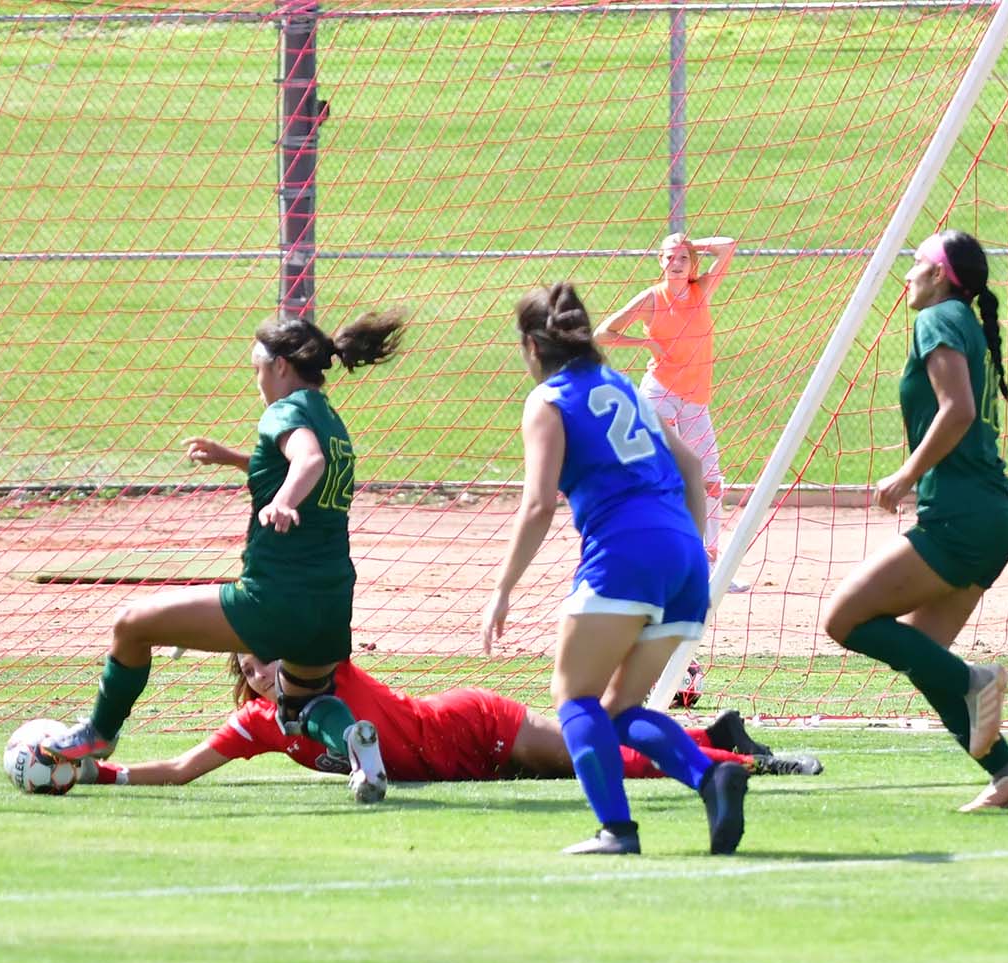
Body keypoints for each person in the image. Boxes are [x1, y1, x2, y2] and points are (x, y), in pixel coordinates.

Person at [37, 310, 408, 804]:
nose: (257, 380)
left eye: (257, 367)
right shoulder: (330, 417)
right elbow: (302, 462)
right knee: (301, 704)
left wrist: (283, 502)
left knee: (131, 625)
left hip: (275, 597)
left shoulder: (285, 409)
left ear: (279, 365)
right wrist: (234, 459)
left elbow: (308, 460)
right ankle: (355, 743)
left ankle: (99, 734)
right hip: (332, 603)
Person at [484, 282, 748, 856]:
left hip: (625, 551)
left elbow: (538, 504)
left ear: (532, 346)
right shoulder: (624, 386)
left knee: (573, 697)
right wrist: (690, 546)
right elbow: (692, 466)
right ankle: (711, 776)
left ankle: (618, 831)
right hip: (684, 557)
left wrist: (502, 588)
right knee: (620, 708)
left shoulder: (548, 400)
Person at [822, 230, 1008, 813]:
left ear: (941, 274)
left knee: (843, 618)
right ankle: (1007, 772)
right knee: (924, 657)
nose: (908, 273)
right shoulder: (961, 319)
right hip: (991, 517)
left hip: (962, 516)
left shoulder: (937, 317)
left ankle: (976, 680)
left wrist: (904, 475)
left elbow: (958, 409)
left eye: (916, 262)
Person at [77, 655, 822, 787]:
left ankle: (744, 762)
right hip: (463, 764)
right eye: (250, 667)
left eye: (270, 657)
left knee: (607, 760)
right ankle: (714, 735)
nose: (265, 671)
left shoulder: (329, 670)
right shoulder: (261, 726)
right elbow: (181, 769)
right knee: (599, 751)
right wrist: (98, 773)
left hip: (471, 727)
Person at [595, 232, 747, 592]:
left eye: (683, 258)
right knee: (664, 479)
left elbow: (727, 247)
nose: (676, 264)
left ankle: (709, 565)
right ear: (659, 262)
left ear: (692, 263)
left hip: (695, 400)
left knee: (711, 482)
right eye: (669, 257)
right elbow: (603, 333)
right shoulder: (651, 298)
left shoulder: (701, 290)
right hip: (659, 395)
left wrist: (689, 244)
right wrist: (645, 341)